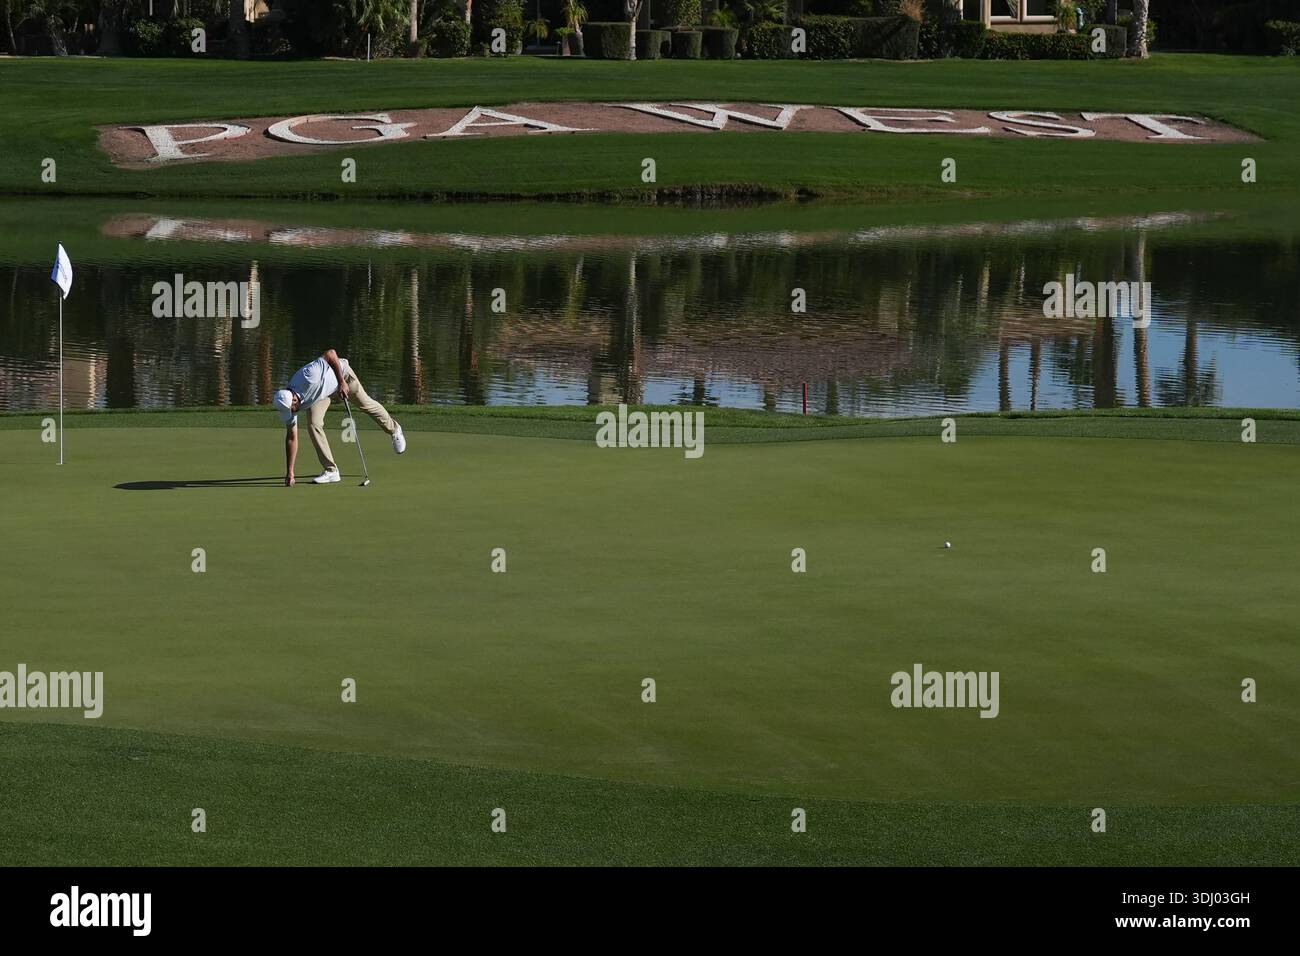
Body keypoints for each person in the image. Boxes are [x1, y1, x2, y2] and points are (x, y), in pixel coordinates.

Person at [272, 349, 405, 486]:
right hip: (322, 394)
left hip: (342, 376)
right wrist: (290, 472)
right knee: (313, 424)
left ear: (294, 400)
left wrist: (341, 381)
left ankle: (394, 429)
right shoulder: (288, 404)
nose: (291, 413)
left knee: (366, 405)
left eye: (291, 410)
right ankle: (331, 471)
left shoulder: (308, 376)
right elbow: (292, 437)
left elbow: (331, 354)